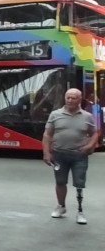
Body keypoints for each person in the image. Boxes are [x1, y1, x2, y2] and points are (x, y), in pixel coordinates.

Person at [42, 87, 99, 224]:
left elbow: (95, 133)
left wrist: (90, 145)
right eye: (68, 97)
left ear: (80, 99)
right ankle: (61, 207)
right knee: (60, 182)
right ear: (65, 98)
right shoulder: (55, 114)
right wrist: (46, 153)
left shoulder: (87, 116)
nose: (71, 100)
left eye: (74, 98)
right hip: (59, 154)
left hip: (79, 155)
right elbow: (47, 135)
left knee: (79, 183)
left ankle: (80, 211)